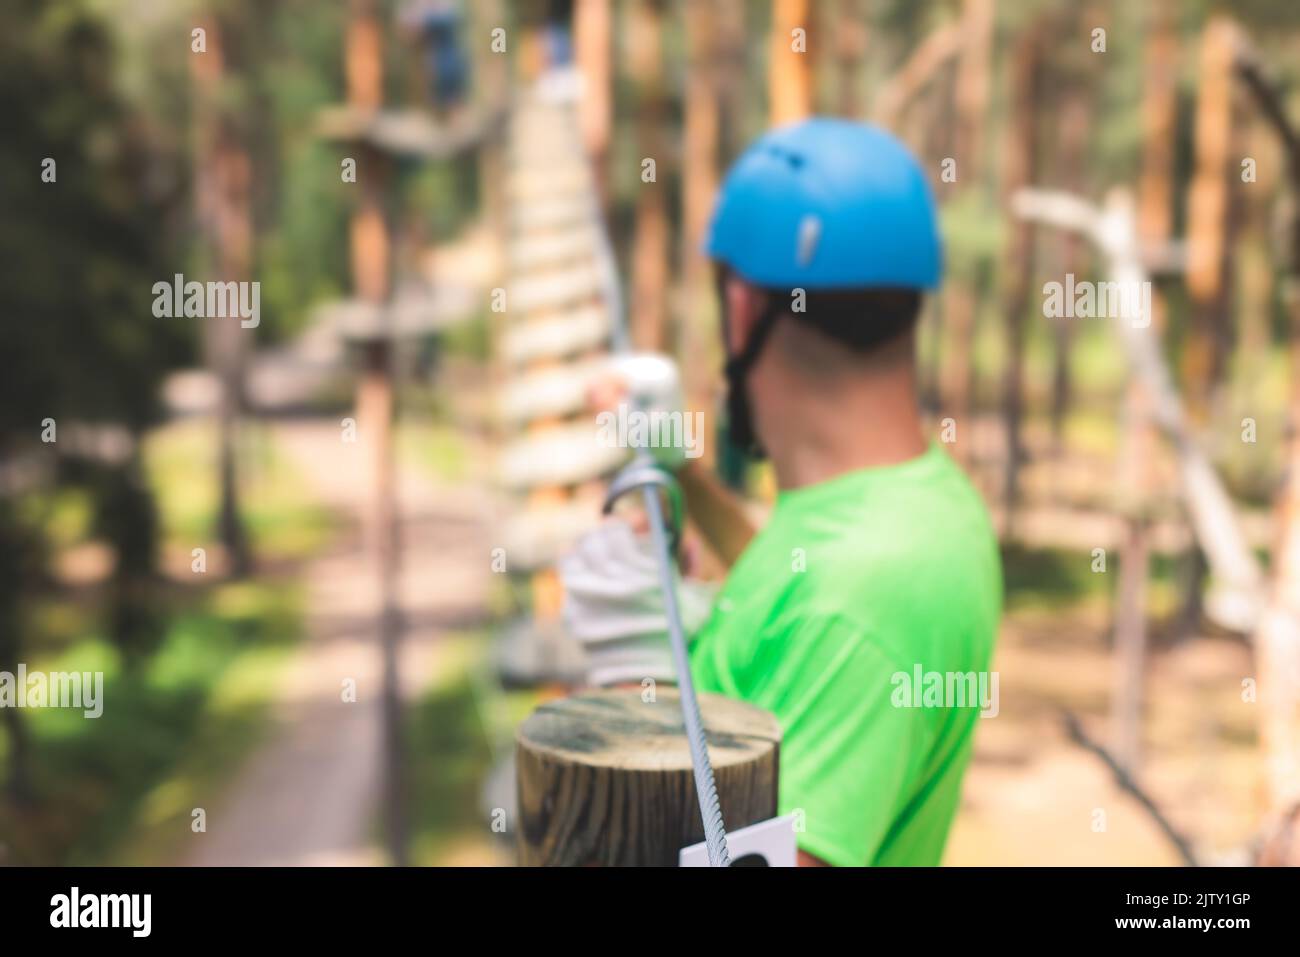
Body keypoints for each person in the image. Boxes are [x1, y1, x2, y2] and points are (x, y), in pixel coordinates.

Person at [561, 118, 1002, 866]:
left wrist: (633, 679)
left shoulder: (857, 604)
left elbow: (826, 608)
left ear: (742, 306)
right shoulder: (914, 504)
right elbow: (789, 576)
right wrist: (682, 472)